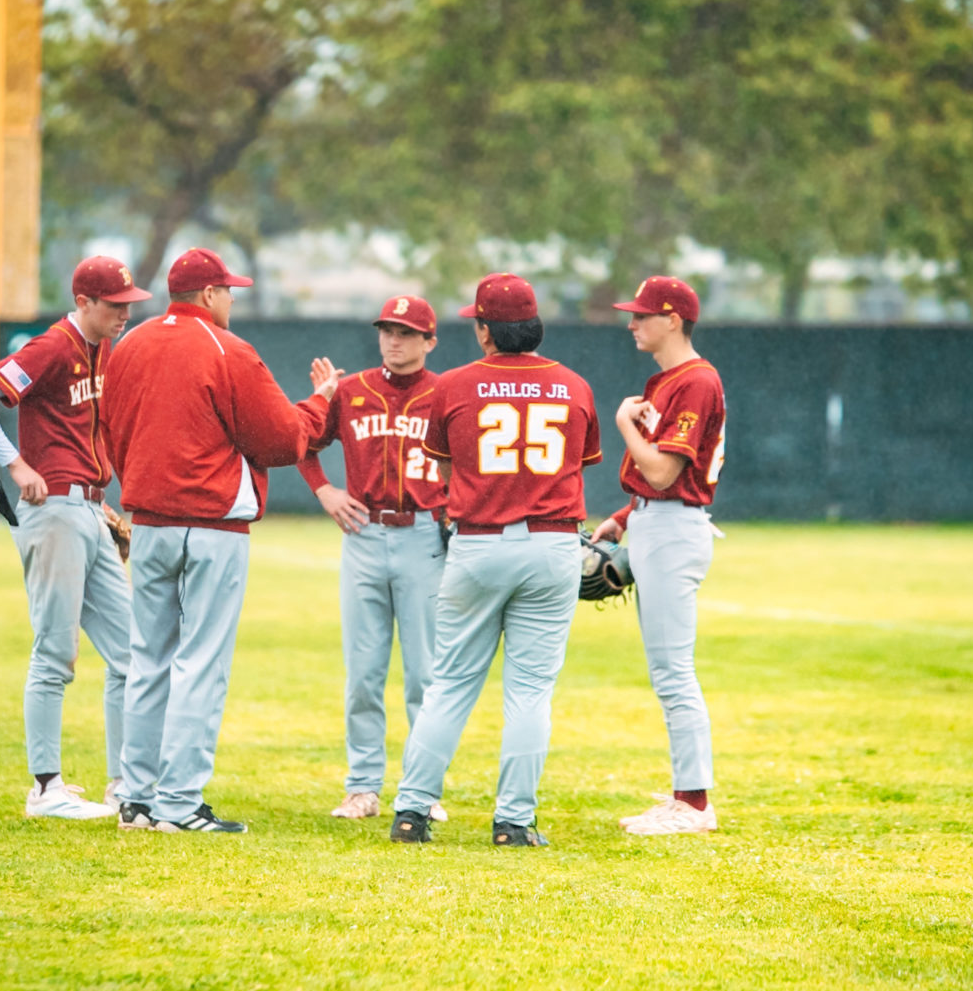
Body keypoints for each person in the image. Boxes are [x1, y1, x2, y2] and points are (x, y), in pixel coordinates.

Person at [101, 247, 340, 834]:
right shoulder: (225, 348)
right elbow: (282, 440)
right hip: (212, 526)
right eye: (228, 290)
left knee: (148, 661)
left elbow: (108, 428)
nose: (231, 299)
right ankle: (179, 804)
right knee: (200, 665)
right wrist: (321, 403)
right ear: (208, 295)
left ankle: (136, 798)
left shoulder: (128, 346)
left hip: (150, 521)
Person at [389, 273, 601, 848]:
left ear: (485, 331)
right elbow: (579, 463)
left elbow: (443, 471)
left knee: (451, 684)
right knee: (530, 690)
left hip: (478, 541)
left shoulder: (453, 385)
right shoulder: (574, 386)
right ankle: (513, 821)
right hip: (553, 542)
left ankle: (411, 812)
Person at [0, 255, 150, 819]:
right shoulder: (52, 347)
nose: (123, 314)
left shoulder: (102, 350)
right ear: (84, 302)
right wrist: (15, 464)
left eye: (127, 305)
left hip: (87, 509)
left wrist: (105, 506)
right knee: (56, 653)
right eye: (114, 305)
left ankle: (124, 785)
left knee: (131, 654)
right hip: (53, 509)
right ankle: (45, 789)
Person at [296, 295, 450, 823]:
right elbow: (303, 441)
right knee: (363, 672)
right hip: (364, 535)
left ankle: (423, 789)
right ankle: (362, 786)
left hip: (425, 535)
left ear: (430, 341)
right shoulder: (352, 389)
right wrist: (324, 491)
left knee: (425, 675)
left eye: (406, 332)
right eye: (387, 330)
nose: (394, 340)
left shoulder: (446, 392)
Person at [594, 275, 726, 836]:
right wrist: (624, 517)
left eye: (643, 315)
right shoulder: (670, 379)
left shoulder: (695, 381)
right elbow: (658, 480)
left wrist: (624, 423)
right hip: (655, 522)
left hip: (674, 529)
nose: (633, 323)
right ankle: (683, 795)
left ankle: (694, 804)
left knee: (674, 672)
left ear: (673, 320)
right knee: (666, 671)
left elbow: (665, 471)